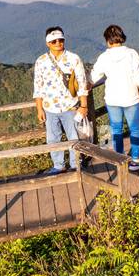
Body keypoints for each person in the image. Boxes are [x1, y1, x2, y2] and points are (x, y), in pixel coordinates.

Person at [91, 24, 139, 170]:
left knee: (115, 130)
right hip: (131, 97)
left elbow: (93, 77)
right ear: (121, 37)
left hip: (112, 99)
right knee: (135, 129)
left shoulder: (104, 57)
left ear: (107, 40)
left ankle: (120, 161)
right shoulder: (131, 53)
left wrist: (83, 86)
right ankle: (135, 160)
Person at [33, 27, 90, 173]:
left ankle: (75, 164)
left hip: (70, 105)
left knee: (74, 137)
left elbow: (82, 83)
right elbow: (38, 86)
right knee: (53, 139)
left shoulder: (73, 58)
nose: (58, 43)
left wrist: (83, 105)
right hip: (49, 107)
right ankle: (58, 166)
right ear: (48, 43)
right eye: (54, 41)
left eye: (60, 40)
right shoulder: (41, 61)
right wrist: (39, 108)